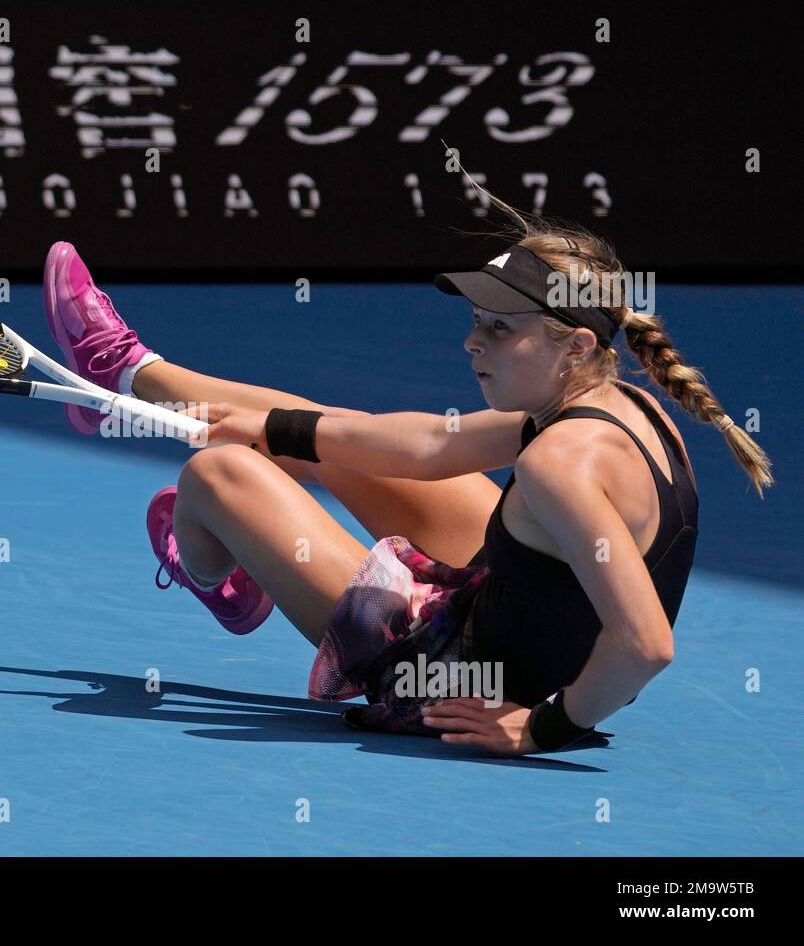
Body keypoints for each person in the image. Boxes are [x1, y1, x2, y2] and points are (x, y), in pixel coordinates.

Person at [39, 203, 773, 756]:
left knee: (218, 472)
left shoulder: (558, 467)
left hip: (449, 680)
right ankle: (129, 373)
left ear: (575, 344)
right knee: (305, 430)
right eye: (478, 320)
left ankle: (211, 571)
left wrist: (545, 725)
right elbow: (425, 445)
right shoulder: (621, 405)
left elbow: (646, 644)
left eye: (497, 331)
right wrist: (275, 429)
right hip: (512, 608)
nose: (470, 342)